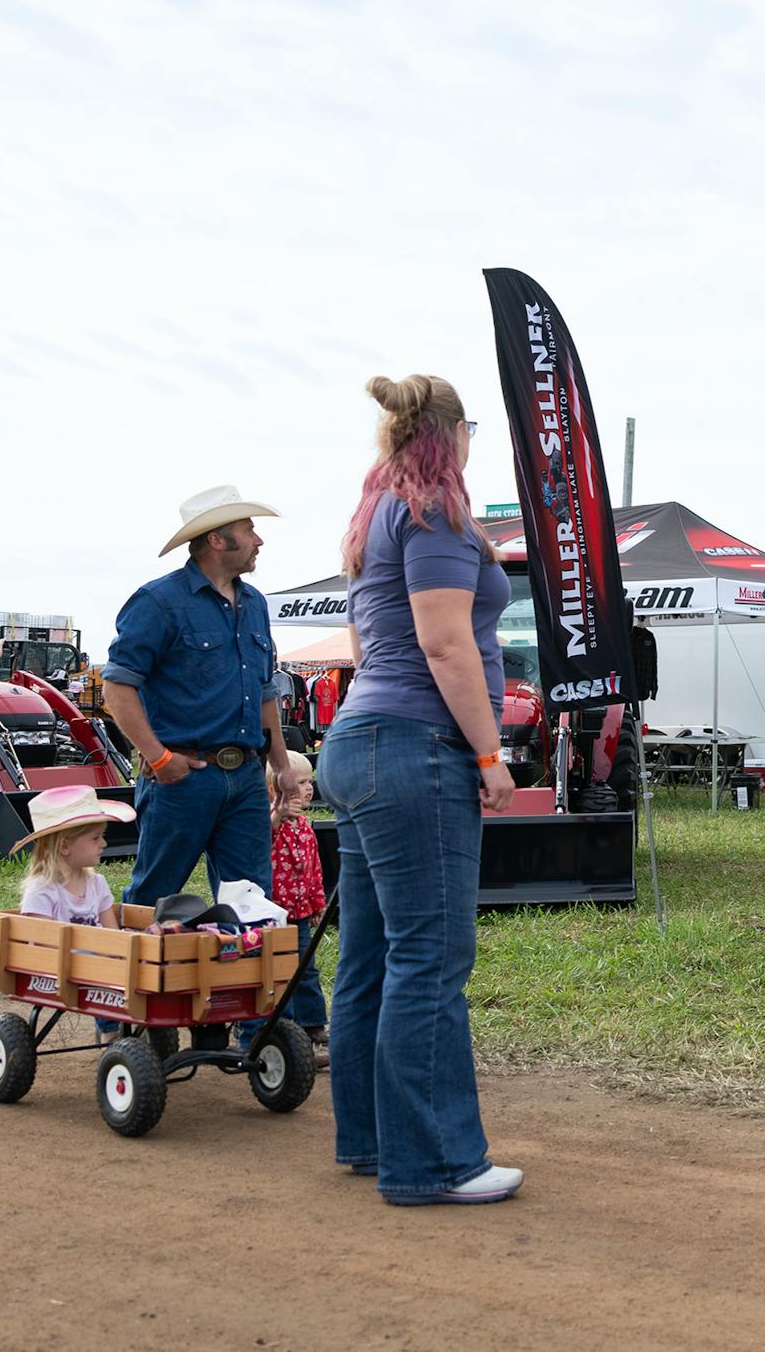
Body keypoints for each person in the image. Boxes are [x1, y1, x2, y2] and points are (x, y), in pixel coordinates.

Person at [318, 374, 521, 1206]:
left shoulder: (375, 515)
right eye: (471, 426)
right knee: (430, 959)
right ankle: (434, 1163)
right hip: (416, 749)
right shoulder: (434, 508)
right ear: (452, 433)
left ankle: (372, 1142)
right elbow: (445, 646)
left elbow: (373, 642)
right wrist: (489, 755)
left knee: (371, 956)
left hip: (361, 742)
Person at [100, 486, 301, 925]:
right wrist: (160, 758)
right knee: (153, 897)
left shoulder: (255, 604)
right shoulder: (158, 601)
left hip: (246, 777)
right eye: (249, 529)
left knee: (251, 903)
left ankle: (237, 994)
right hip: (181, 777)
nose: (258, 540)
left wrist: (281, 765)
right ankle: (132, 990)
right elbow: (116, 688)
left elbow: (265, 690)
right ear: (216, 539)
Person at [268, 756, 329, 1065]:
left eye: (310, 782)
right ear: (274, 790)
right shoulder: (271, 824)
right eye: (301, 783)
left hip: (301, 912)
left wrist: (318, 902)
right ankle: (285, 1026)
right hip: (274, 916)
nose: (309, 789)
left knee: (306, 967)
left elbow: (314, 869)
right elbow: (259, 840)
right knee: (279, 972)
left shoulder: (305, 826)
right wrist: (277, 813)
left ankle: (313, 1022)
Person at [13, 784, 137, 928]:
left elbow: (114, 937)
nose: (103, 843)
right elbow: (41, 945)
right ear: (64, 846)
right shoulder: (43, 890)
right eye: (95, 837)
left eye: (102, 836)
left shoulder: (97, 884)